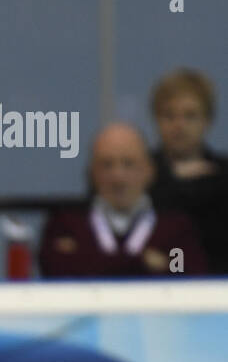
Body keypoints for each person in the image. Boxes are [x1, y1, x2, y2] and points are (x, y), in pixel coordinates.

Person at [39, 122, 206, 278]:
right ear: (92, 172)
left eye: (128, 164)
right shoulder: (65, 224)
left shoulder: (176, 228)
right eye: (107, 165)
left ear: (149, 170)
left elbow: (187, 275)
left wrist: (87, 257)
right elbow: (55, 269)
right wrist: (146, 263)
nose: (118, 177)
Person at [147, 68, 228, 273]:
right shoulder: (138, 176)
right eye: (169, 115)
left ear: (207, 121)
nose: (179, 125)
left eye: (190, 116)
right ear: (156, 119)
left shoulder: (224, 175)